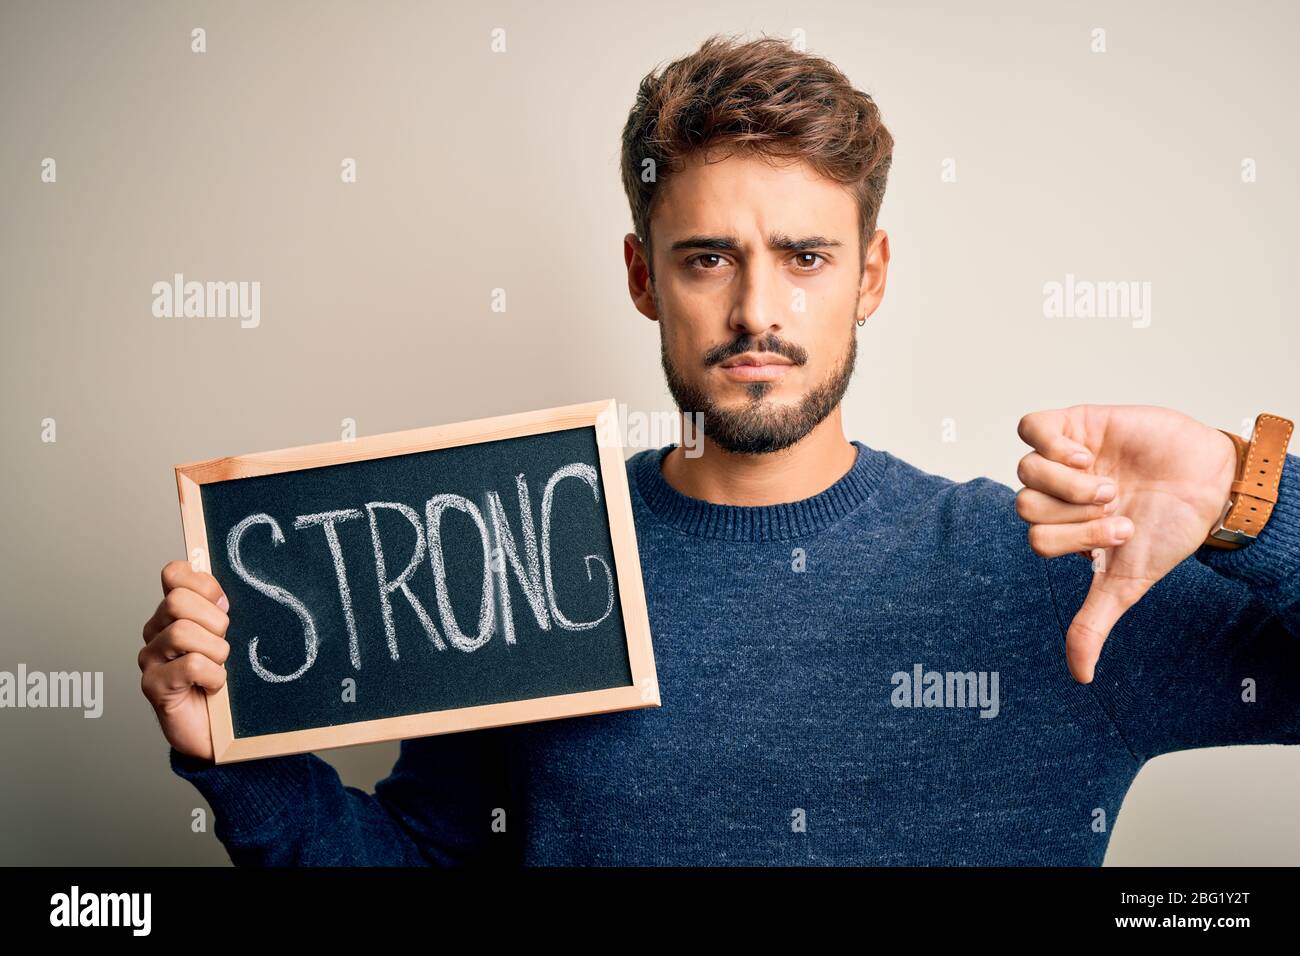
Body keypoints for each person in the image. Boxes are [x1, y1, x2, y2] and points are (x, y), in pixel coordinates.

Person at [140, 33, 1300, 866]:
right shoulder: (522, 557)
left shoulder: (1051, 566)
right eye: (707, 258)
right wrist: (236, 763)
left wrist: (1244, 493)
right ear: (643, 276)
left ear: (871, 276)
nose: (758, 311)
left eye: (804, 257)